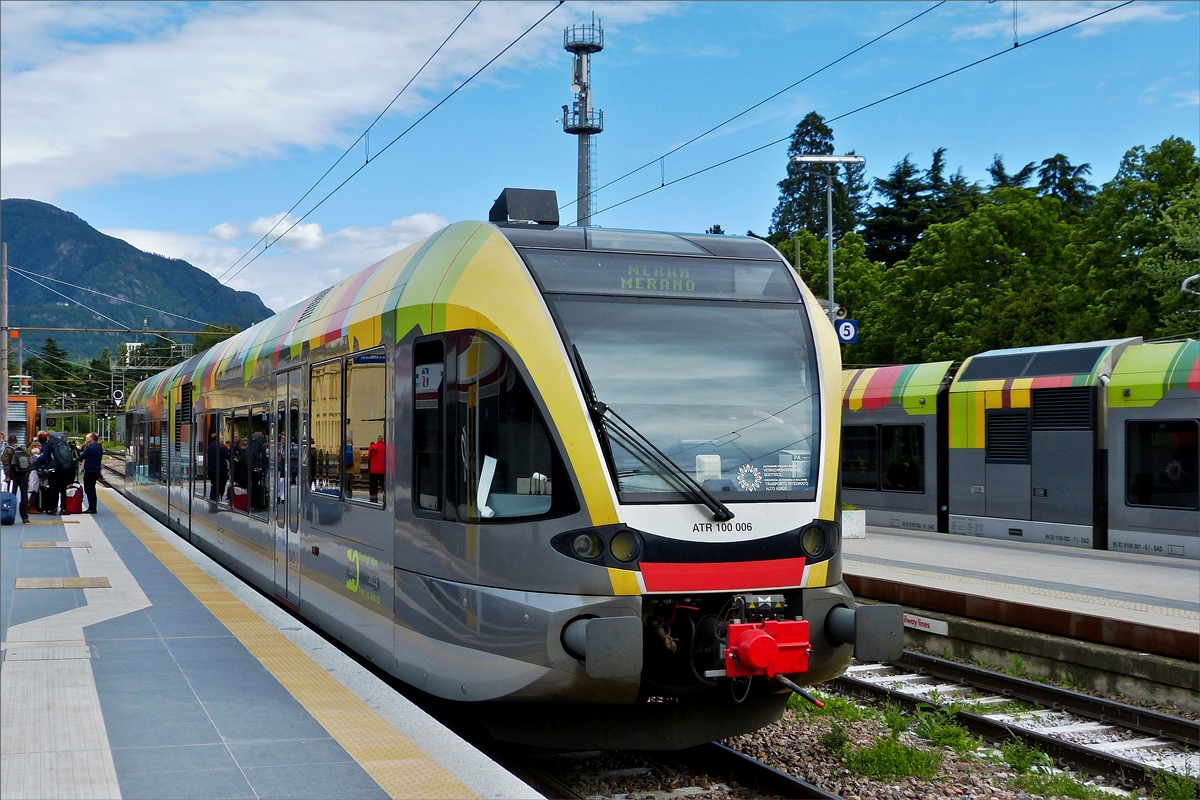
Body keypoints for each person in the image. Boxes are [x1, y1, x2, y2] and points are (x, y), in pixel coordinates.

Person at [2, 434, 32, 523]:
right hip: (24, 475)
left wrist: (7, 476)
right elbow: (30, 462)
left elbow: (6, 463)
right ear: (17, 441)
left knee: (11, 496)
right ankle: (25, 517)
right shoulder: (24, 449)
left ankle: (10, 516)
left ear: (8, 442)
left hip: (13, 476)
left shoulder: (7, 450)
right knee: (24, 495)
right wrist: (27, 473)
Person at [80, 433, 104, 514]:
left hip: (89, 471)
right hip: (96, 471)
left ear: (92, 439)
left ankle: (92, 508)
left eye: (88, 437)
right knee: (92, 489)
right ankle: (93, 507)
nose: (87, 439)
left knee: (89, 490)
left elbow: (81, 457)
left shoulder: (90, 448)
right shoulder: (99, 447)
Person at [206, 433, 230, 505]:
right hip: (221, 470)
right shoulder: (221, 448)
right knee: (221, 485)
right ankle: (218, 497)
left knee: (214, 485)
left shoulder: (209, 448)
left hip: (211, 470)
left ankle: (213, 499)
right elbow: (228, 456)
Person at [368, 435, 386, 503]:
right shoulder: (385, 447)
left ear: (378, 439)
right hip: (383, 470)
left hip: (373, 470)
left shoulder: (373, 447)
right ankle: (385, 494)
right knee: (383, 484)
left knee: (373, 485)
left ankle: (373, 497)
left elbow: (369, 457)